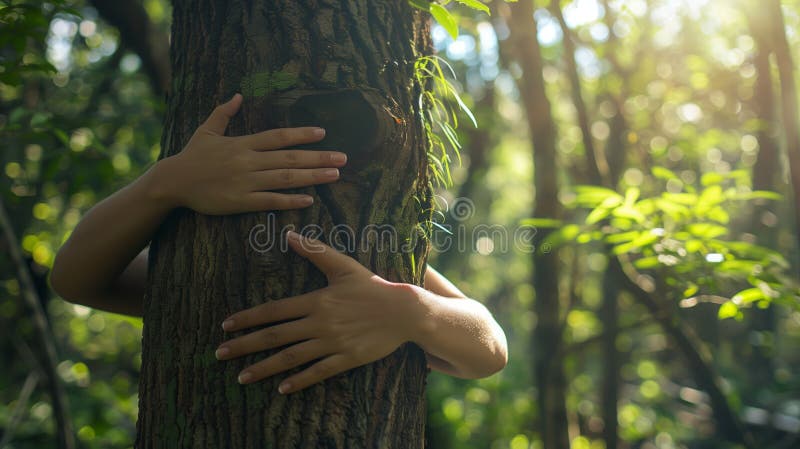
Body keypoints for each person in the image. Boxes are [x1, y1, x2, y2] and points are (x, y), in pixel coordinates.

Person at [50, 93, 508, 395]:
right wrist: (166, 183)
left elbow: (489, 346)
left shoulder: (374, 256)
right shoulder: (190, 269)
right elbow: (74, 278)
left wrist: (410, 310)